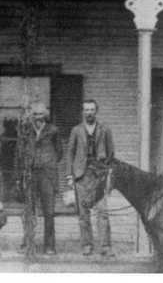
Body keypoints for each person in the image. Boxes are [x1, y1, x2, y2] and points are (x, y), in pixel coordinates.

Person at [66, 99, 115, 256]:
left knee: (103, 212)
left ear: (96, 111)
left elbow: (111, 153)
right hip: (81, 176)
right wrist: (69, 175)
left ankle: (105, 247)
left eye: (92, 109)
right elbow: (70, 153)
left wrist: (108, 174)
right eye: (86, 109)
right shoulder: (76, 130)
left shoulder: (105, 129)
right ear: (83, 112)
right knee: (83, 214)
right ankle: (87, 245)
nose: (89, 112)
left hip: (99, 176)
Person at [18, 101, 62, 255]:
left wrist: (47, 162)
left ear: (46, 115)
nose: (38, 117)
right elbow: (20, 153)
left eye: (41, 114)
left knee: (49, 211)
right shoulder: (26, 131)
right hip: (30, 174)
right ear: (31, 116)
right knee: (29, 210)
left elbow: (59, 153)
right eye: (35, 114)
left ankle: (49, 245)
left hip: (47, 176)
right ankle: (28, 243)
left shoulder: (53, 131)